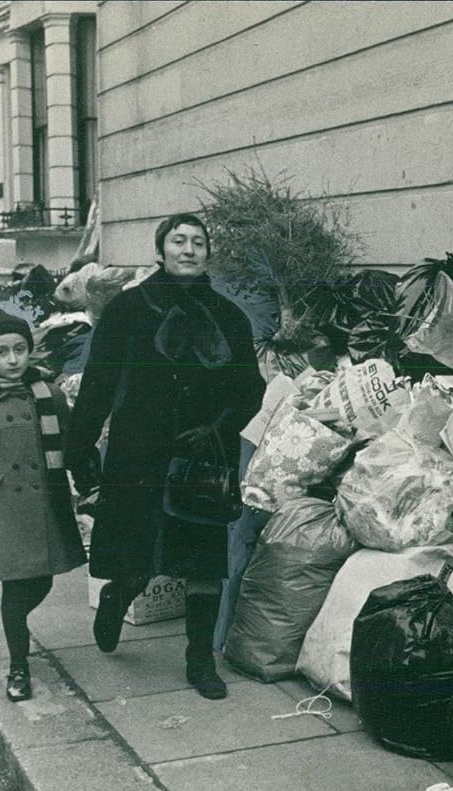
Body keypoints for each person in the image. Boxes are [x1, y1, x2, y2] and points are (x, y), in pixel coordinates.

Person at [65, 213, 264, 699]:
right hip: (138, 450)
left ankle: (199, 661)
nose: (189, 249)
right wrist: (80, 445)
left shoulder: (229, 317)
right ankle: (117, 596)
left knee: (202, 558)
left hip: (204, 457)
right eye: (179, 241)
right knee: (137, 552)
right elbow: (98, 384)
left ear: (207, 254)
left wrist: (216, 428)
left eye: (198, 242)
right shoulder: (127, 310)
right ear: (161, 251)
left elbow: (250, 390)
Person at [0, 300, 87, 702]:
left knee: (41, 581)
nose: (13, 359)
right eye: (1, 352)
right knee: (14, 592)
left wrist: (86, 480)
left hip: (46, 507)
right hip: (2, 513)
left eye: (19, 349)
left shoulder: (50, 395)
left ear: (30, 350)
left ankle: (16, 628)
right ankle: (18, 665)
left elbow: (68, 444)